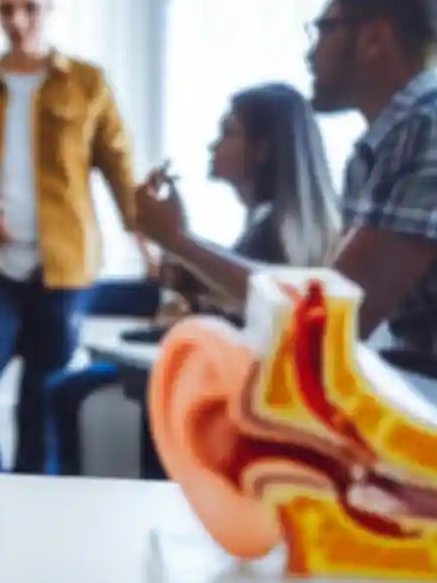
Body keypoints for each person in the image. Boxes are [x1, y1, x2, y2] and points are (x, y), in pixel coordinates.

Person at [134, 0, 437, 413]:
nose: (310, 51)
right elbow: (329, 305)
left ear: (373, 38)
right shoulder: (386, 147)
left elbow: (333, 319)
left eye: (324, 30)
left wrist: (179, 240)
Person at [48, 82, 340, 475]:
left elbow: (259, 318)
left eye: (228, 132)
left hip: (242, 396)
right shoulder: (270, 225)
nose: (212, 144)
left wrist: (176, 241)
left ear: (263, 149)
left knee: (74, 391)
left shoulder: (274, 234)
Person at [0, 0, 146, 474]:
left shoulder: (87, 83)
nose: (19, 20)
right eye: (7, 9)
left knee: (41, 412)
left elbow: (119, 165)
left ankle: (28, 519)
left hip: (64, 269)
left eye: (30, 7)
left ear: (49, 8)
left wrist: (146, 237)